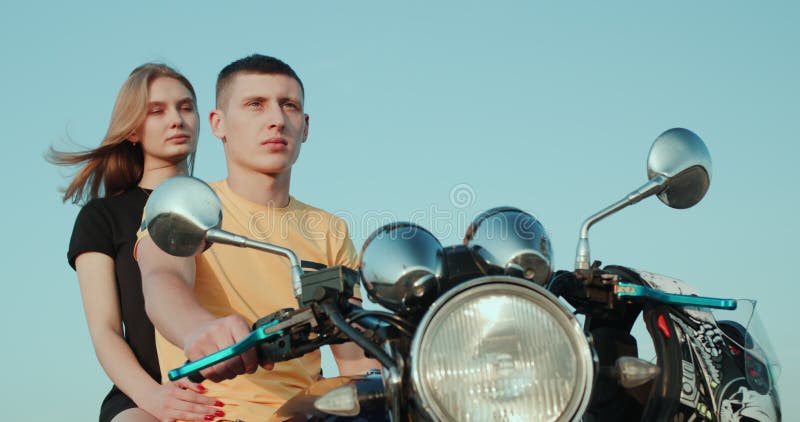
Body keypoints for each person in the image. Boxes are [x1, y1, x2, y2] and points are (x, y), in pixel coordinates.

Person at [136, 54, 377, 421]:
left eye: (289, 106)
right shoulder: (187, 203)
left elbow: (353, 352)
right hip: (209, 414)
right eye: (255, 105)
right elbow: (162, 279)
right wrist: (197, 330)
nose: (277, 120)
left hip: (307, 413)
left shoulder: (329, 229)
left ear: (306, 126)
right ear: (218, 124)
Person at [50, 64, 225, 422]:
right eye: (157, 111)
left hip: (231, 390)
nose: (176, 120)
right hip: (143, 397)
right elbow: (106, 331)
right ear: (132, 129)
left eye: (185, 107)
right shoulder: (102, 217)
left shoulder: (225, 207)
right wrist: (155, 398)